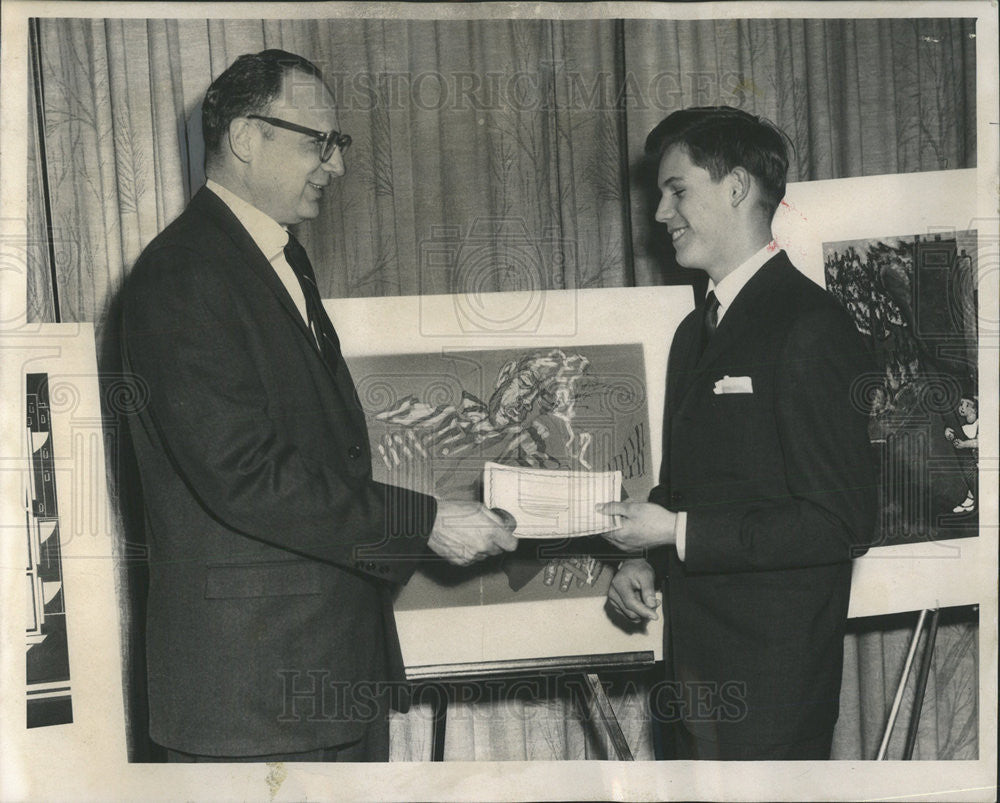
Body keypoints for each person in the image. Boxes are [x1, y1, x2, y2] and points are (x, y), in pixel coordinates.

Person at [120, 50, 516, 762]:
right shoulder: (181, 276)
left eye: (339, 144)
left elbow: (319, 457)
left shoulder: (275, 257)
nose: (336, 165)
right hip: (256, 702)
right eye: (319, 142)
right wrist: (422, 520)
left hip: (319, 681)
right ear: (245, 137)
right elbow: (246, 473)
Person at [600, 106, 877, 760]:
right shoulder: (693, 333)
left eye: (677, 191)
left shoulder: (810, 325)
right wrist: (643, 554)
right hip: (695, 675)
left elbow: (840, 523)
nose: (661, 215)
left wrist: (675, 531)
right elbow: (697, 483)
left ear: (736, 188)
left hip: (773, 694)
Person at [945, 395, 978, 513]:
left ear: (975, 409)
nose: (962, 408)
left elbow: (980, 442)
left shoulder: (980, 423)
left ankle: (975, 501)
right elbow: (959, 433)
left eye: (967, 405)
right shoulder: (964, 424)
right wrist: (949, 433)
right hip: (973, 459)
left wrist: (964, 444)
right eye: (961, 404)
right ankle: (970, 500)